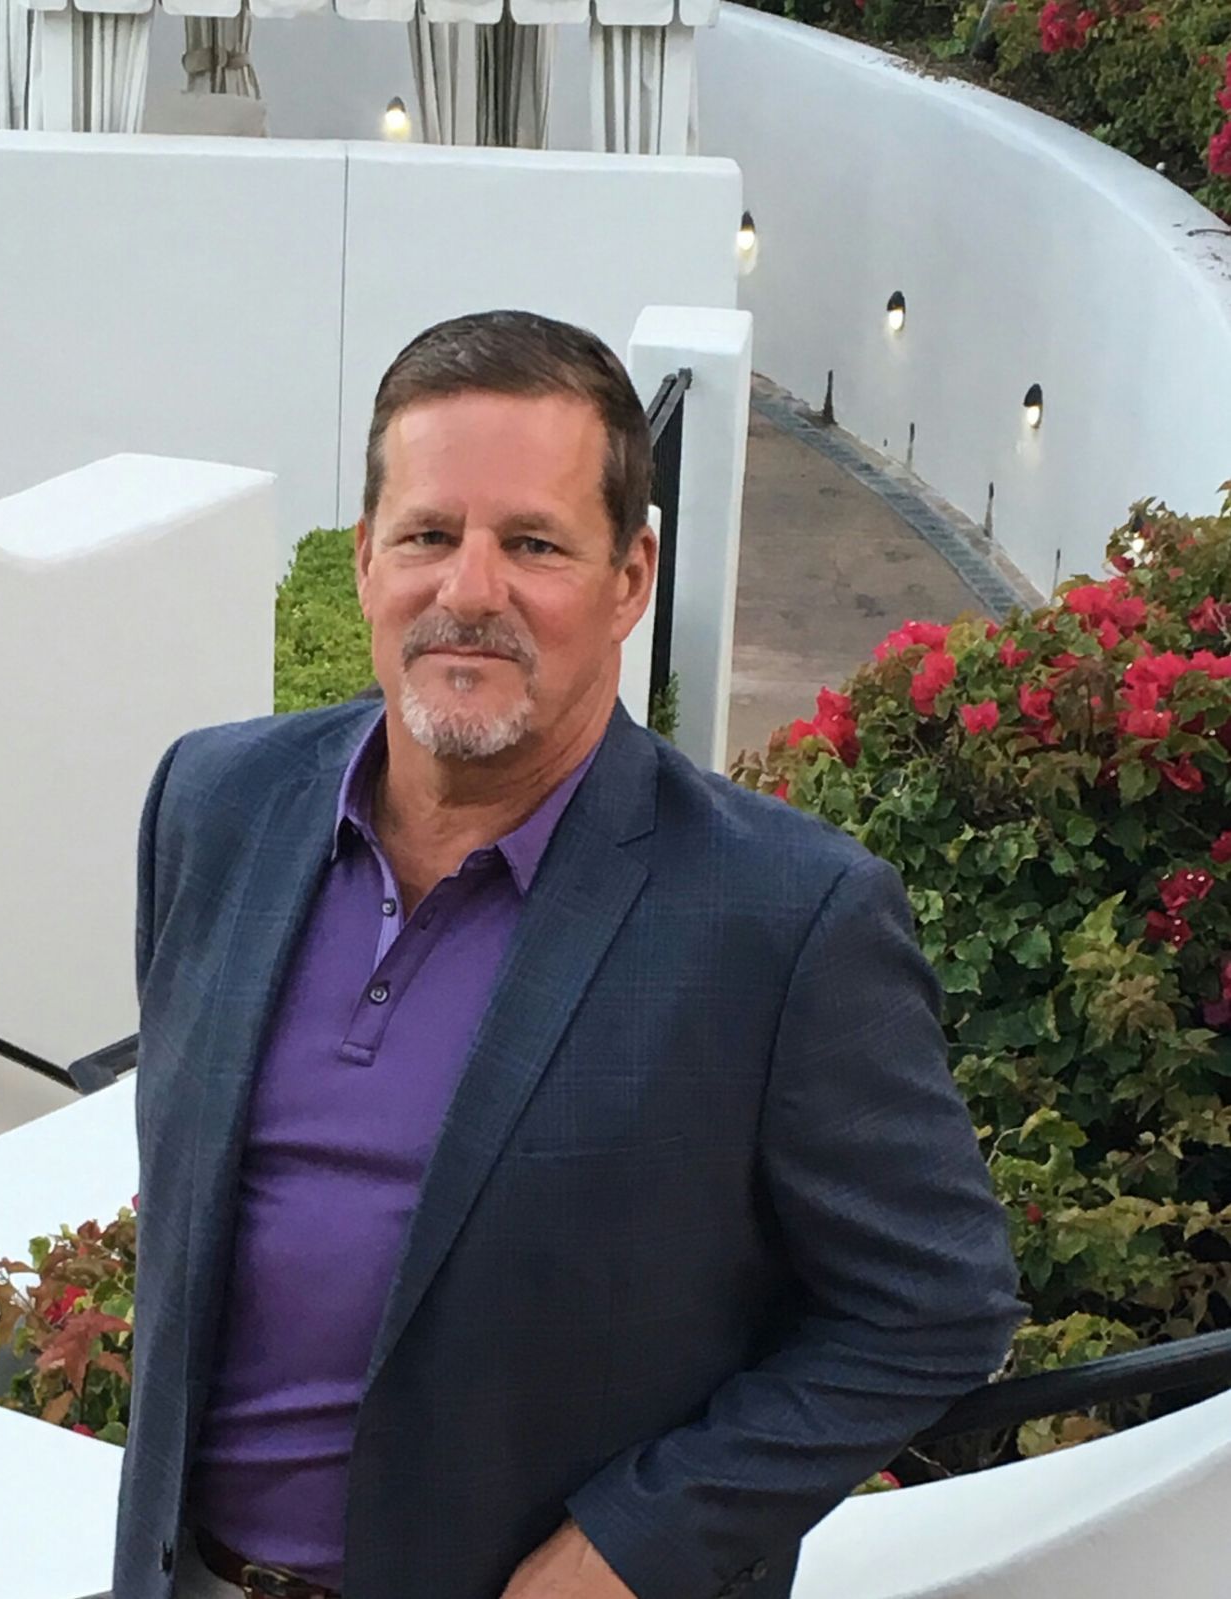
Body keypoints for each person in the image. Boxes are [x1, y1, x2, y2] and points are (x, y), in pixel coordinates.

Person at [114, 310, 1023, 1599]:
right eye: (429, 535)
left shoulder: (784, 918)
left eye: (533, 544)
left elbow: (935, 1305)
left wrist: (633, 1548)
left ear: (631, 576)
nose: (469, 591)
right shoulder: (213, 806)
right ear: (366, 558)